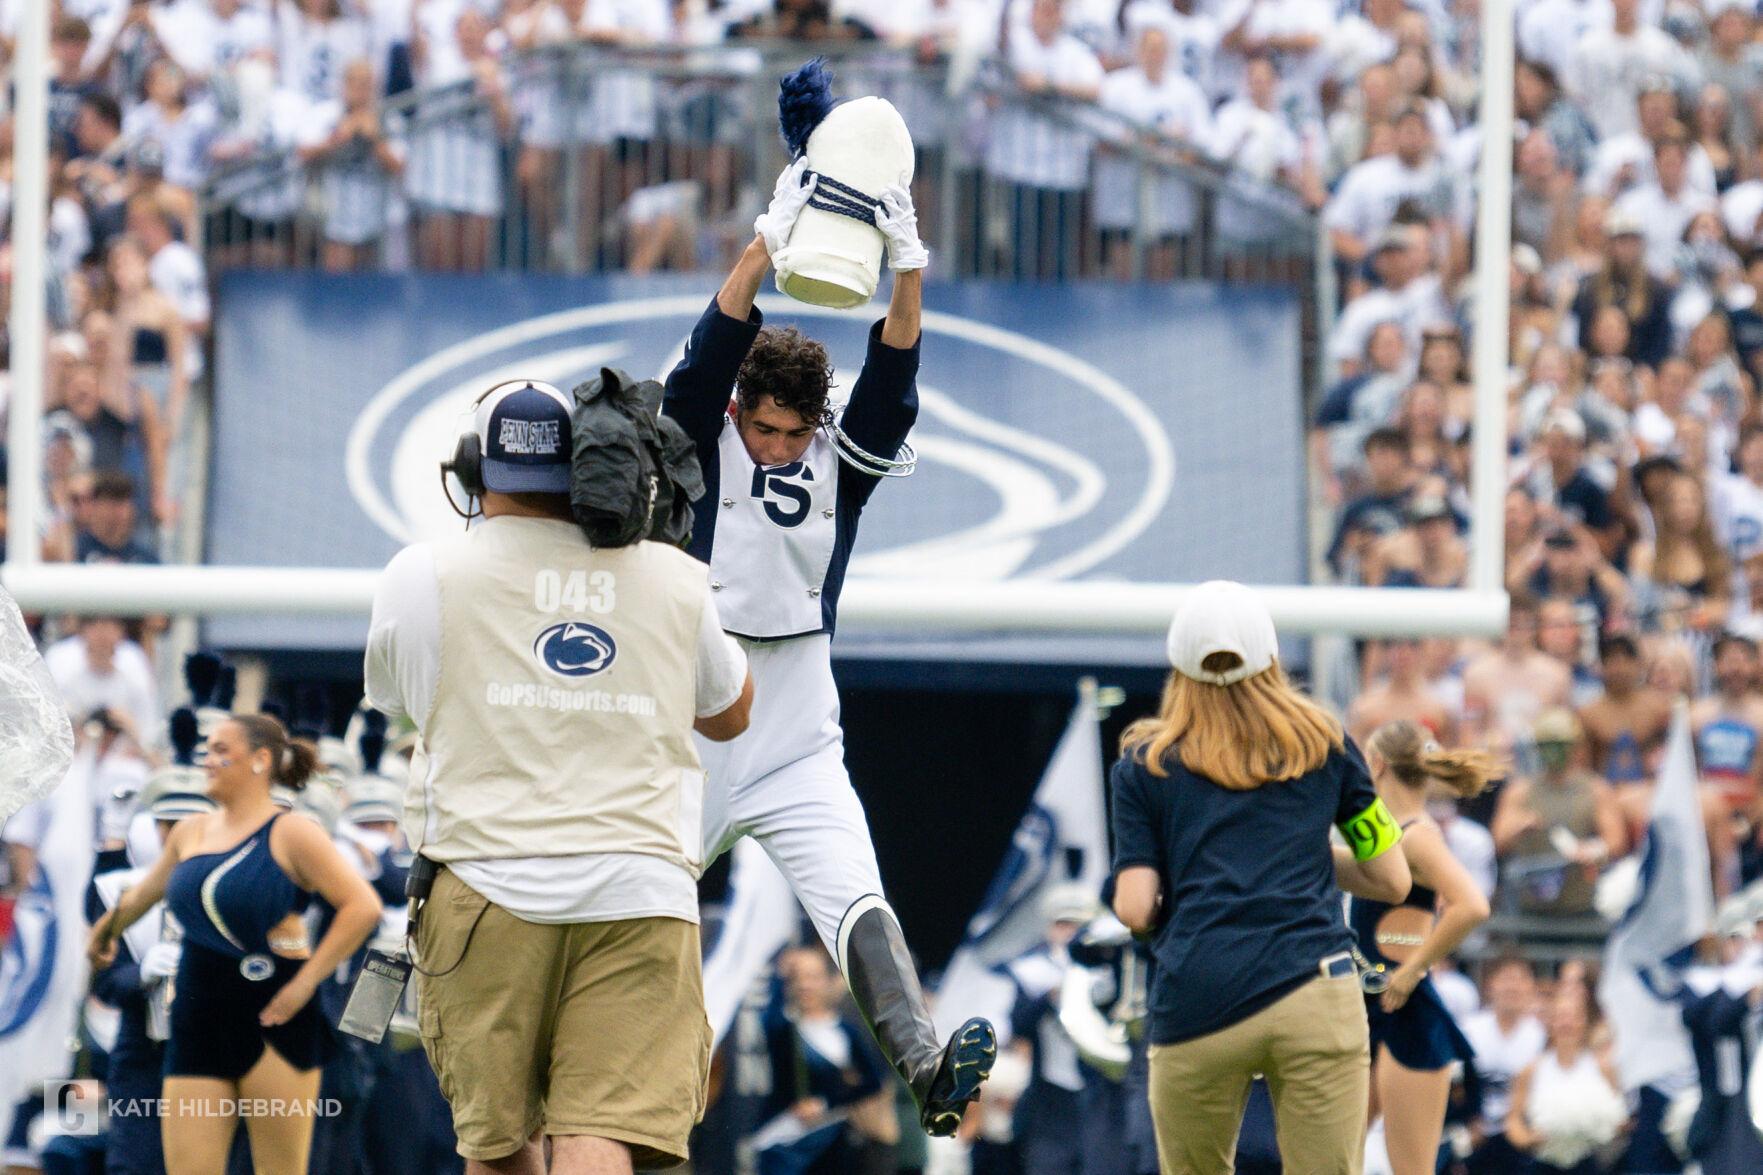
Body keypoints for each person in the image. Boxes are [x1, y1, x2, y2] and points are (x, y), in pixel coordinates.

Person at [663, 168, 996, 1135]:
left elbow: (892, 382)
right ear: (739, 413)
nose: (772, 444)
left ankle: (925, 1065)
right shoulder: (699, 431)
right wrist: (762, 250)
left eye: (789, 430)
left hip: (801, 717)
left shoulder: (836, 466)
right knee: (633, 899)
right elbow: (705, 354)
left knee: (857, 894)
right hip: (696, 709)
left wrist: (907, 267)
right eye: (759, 425)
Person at [364, 376, 753, 1174]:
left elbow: (402, 703)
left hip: (484, 886)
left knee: (501, 1143)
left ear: (471, 472)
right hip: (637, 886)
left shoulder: (421, 575)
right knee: (599, 1132)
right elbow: (729, 709)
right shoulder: (669, 574)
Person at [1110, 579, 1412, 1173]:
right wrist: (1295, 856)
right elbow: (1393, 878)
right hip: (1315, 987)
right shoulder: (1326, 743)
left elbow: (1135, 907)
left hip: (1198, 990)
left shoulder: (1143, 764)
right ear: (1272, 657)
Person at [87, 713, 382, 1175]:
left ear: (261, 760)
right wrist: (101, 936)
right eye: (208, 749)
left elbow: (362, 907)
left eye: (222, 750)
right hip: (197, 1016)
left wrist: (305, 984)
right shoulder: (192, 831)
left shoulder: (293, 832)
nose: (209, 759)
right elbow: (143, 896)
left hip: (273, 1017)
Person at [1351, 721, 1496, 1175]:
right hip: (1373, 1007)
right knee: (1333, 1155)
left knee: (1410, 1168)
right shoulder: (1389, 829)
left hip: (1408, 1013)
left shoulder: (1416, 836)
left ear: (1376, 764)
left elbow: (1472, 905)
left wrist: (1413, 968)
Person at [1461, 956, 1547, 1175]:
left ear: (1531, 986)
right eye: (1506, 979)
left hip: (1522, 1137)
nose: (1513, 987)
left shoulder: (1541, 1035)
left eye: (1521, 979)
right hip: (1473, 1133)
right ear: (1490, 985)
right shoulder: (1470, 1029)